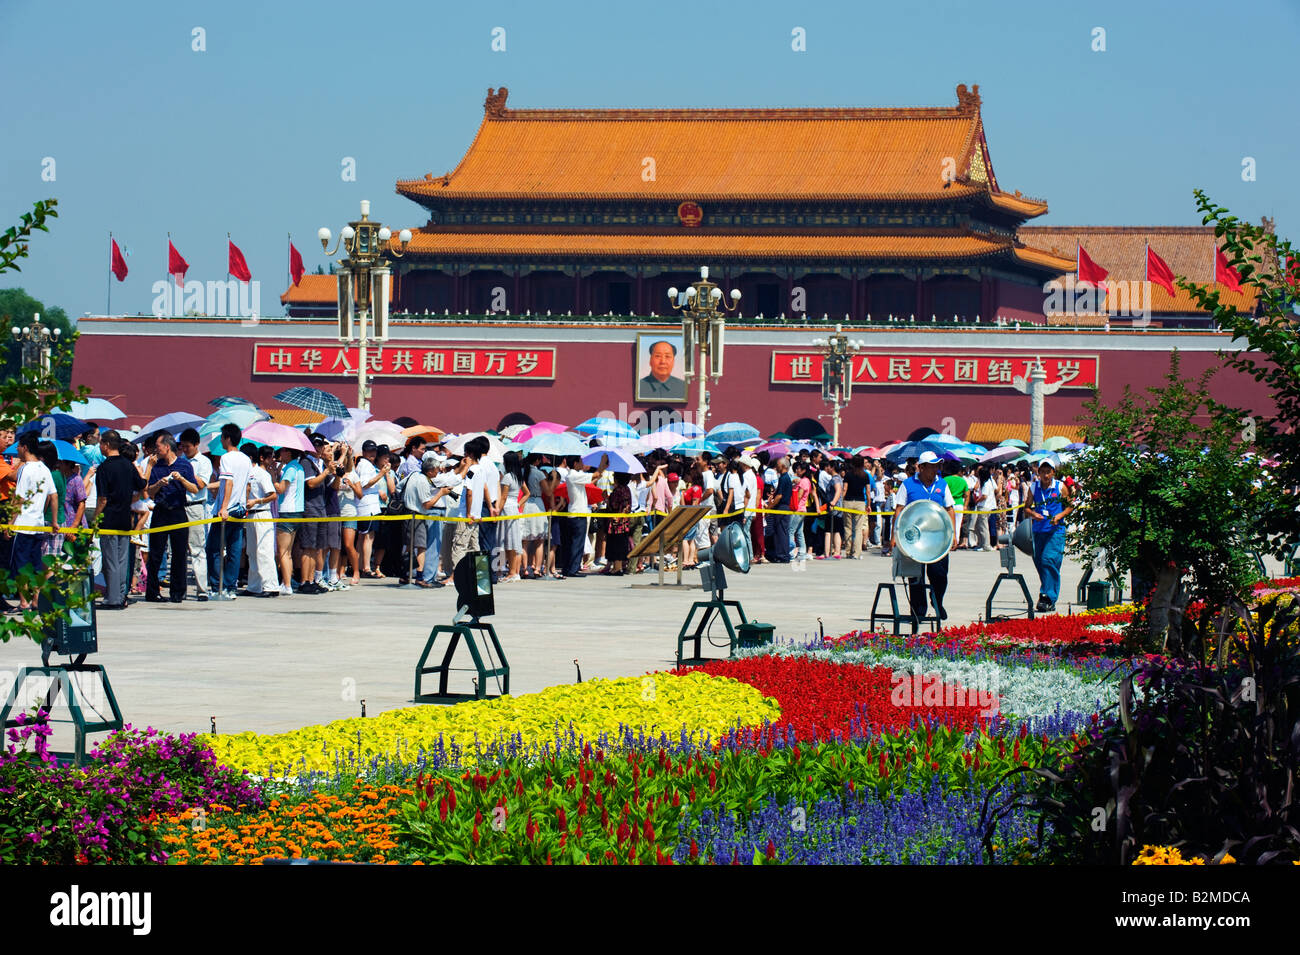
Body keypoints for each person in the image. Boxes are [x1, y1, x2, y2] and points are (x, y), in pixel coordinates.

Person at [892, 451, 957, 630]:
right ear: (921, 467)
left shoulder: (941, 484)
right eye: (932, 466)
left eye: (937, 466)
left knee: (939, 574)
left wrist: (953, 535)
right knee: (916, 576)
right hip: (913, 539)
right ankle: (918, 610)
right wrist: (894, 537)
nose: (936, 469)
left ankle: (938, 602)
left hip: (937, 538)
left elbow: (950, 509)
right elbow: (899, 510)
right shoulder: (908, 484)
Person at [92, 430, 145, 609]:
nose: (100, 447)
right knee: (122, 560)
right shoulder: (128, 465)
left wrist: (95, 517)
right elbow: (141, 485)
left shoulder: (104, 468)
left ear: (106, 445)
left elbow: (102, 499)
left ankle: (113, 598)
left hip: (109, 519)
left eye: (100, 444)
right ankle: (121, 595)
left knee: (111, 561)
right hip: (125, 517)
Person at [143, 432, 194, 603]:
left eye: (158, 447)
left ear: (167, 446)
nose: (156, 450)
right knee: (156, 552)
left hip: (178, 510)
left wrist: (181, 480)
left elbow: (195, 488)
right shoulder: (156, 466)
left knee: (179, 552)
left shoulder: (184, 465)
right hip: (161, 510)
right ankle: (152, 592)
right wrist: (158, 484)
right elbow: (148, 493)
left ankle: (178, 592)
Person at [10, 433, 59, 609]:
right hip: (38, 525)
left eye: (18, 446)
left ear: (25, 447)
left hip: (23, 524)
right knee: (37, 565)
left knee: (21, 566)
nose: (16, 449)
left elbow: (19, 497)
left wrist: (10, 523)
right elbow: (53, 496)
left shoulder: (26, 469)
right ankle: (36, 598)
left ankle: (23, 601)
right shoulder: (44, 468)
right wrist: (53, 521)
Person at [1024, 459, 1074, 613]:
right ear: (1038, 472)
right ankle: (1047, 594)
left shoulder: (1060, 487)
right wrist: (1033, 514)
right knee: (1040, 562)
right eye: (1042, 472)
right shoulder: (1034, 487)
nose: (1045, 475)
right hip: (1038, 530)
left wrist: (1059, 516)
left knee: (1048, 560)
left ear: (1053, 472)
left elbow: (1070, 506)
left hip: (1055, 531)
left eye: (1048, 472)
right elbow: (1026, 507)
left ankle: (1048, 597)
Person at [174, 428, 213, 600]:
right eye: (182, 447)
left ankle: (202, 590)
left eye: (188, 446)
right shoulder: (180, 461)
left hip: (195, 506)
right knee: (179, 550)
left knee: (197, 549)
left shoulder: (203, 462)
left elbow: (202, 484)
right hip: (179, 505)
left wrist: (187, 472)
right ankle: (179, 588)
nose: (185, 450)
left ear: (196, 445)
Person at [215, 423, 252, 595]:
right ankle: (231, 587)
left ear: (228, 438)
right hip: (240, 509)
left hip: (227, 510)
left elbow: (228, 482)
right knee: (234, 550)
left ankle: (217, 587)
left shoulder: (226, 458)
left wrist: (223, 507)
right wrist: (244, 504)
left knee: (214, 549)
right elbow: (248, 486)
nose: (221, 440)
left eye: (222, 437)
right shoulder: (246, 459)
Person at [242, 445, 278, 596]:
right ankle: (254, 585)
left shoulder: (261, 474)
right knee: (251, 551)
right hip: (250, 515)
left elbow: (273, 495)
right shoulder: (245, 474)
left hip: (262, 513)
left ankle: (271, 586)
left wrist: (257, 501)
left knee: (264, 551)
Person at [603, 471, 633, 575]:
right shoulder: (627, 489)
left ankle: (616, 568)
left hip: (615, 523)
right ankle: (619, 567)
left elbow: (614, 506)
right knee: (622, 544)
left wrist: (607, 499)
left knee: (615, 544)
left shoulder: (618, 490)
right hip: (624, 522)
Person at [768, 456, 792, 563]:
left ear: (782, 466)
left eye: (777, 465)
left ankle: (782, 555)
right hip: (784, 507)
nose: (776, 467)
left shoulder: (783, 478)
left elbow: (779, 496)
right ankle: (781, 554)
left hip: (782, 507)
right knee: (780, 531)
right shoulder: (785, 478)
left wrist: (770, 506)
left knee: (781, 532)